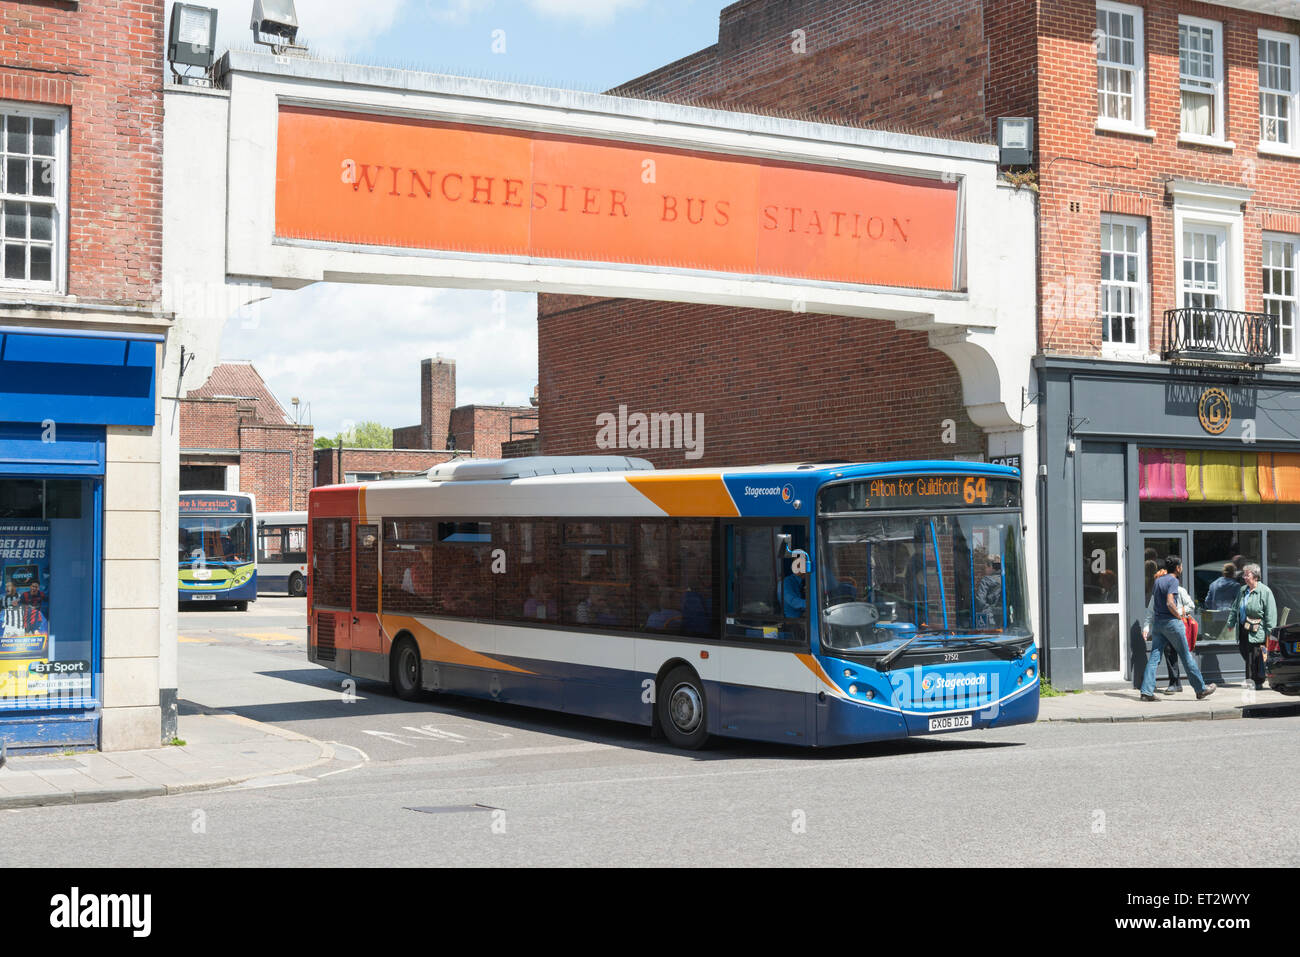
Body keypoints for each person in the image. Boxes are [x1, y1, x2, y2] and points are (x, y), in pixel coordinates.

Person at [1140, 555, 1216, 702]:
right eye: (1180, 566)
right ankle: (1201, 689)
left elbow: (1155, 604)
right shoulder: (1173, 580)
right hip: (1171, 623)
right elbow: (1170, 603)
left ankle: (1146, 692)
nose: (1181, 568)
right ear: (1177, 567)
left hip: (1158, 624)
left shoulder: (1158, 581)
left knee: (1154, 657)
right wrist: (1179, 616)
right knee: (1186, 656)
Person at [1142, 567, 1195, 694]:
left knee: (1183, 655)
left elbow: (1191, 605)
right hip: (1163, 626)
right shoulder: (1157, 594)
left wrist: (1178, 613)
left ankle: (1184, 684)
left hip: (1175, 625)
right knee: (1169, 653)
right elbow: (1151, 612)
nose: (1159, 584)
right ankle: (1175, 683)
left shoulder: (1179, 590)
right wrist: (1146, 627)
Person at [1227, 562, 1277, 691]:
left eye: (1247, 575)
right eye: (1244, 575)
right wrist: (1231, 623)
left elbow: (1270, 614)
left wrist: (1270, 633)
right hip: (1243, 629)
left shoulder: (1265, 591)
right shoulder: (1243, 590)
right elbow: (1235, 608)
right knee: (1246, 654)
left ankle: (1256, 681)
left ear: (1255, 576)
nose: (1244, 577)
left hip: (1258, 630)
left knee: (1255, 656)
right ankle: (1252, 680)